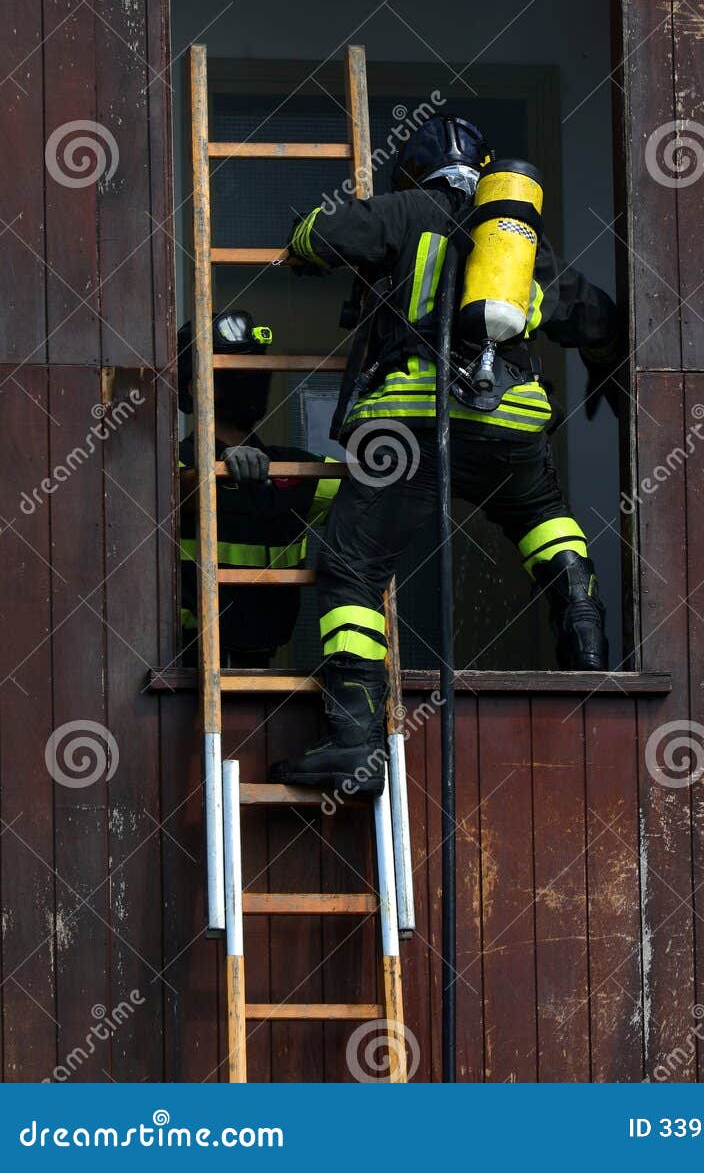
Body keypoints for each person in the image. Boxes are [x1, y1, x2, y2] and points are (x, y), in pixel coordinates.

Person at [269, 114, 622, 792]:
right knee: (542, 516)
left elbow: (316, 237)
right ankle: (589, 653)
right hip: (511, 422)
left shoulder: (403, 210)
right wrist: (608, 366)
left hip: (407, 425)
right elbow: (595, 314)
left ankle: (353, 739)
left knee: (351, 568)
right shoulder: (521, 245)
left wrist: (309, 231)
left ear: (412, 170)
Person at [177, 309, 341, 665]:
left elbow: (373, 498)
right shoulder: (168, 468)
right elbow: (165, 495)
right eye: (234, 369)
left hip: (266, 672)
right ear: (193, 386)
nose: (247, 380)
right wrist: (215, 471)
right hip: (184, 671)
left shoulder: (294, 471)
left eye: (253, 369)